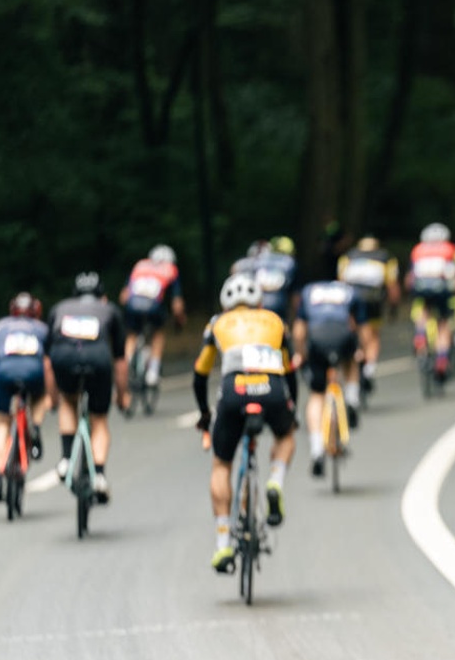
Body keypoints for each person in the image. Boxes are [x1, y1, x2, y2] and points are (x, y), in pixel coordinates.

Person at [193, 273, 298, 571]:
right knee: (286, 436)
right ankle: (275, 481)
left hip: (234, 391)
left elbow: (200, 373)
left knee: (221, 464)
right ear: (259, 303)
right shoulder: (275, 321)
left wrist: (204, 413)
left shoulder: (217, 323)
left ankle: (223, 543)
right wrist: (293, 410)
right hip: (271, 389)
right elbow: (290, 370)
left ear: (226, 305)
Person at [46, 271, 129, 503]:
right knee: (99, 419)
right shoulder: (109, 309)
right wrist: (122, 395)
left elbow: (47, 360)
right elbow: (120, 362)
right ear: (102, 296)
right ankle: (99, 475)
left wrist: (52, 396)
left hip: (63, 358)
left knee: (68, 401)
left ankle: (65, 459)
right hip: (98, 360)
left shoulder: (60, 308)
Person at [292, 277, 363, 477]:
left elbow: (299, 332)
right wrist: (360, 350)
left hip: (317, 339)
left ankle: (316, 449)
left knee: (317, 395)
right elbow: (357, 325)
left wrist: (301, 354)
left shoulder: (308, 292)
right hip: (342, 335)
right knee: (351, 363)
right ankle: (352, 400)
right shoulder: (349, 291)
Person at [0, 293, 52, 502]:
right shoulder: (42, 329)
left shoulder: (0, 327)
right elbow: (48, 365)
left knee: (2, 423)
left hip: (4, 375)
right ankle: (36, 429)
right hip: (34, 374)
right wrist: (51, 394)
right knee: (39, 397)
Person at [336, 234, 400, 396]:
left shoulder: (348, 256)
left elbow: (340, 280)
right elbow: (391, 284)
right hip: (373, 300)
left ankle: (356, 355)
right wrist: (393, 307)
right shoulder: (385, 257)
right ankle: (369, 368)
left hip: (350, 298)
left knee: (353, 330)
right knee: (373, 336)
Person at [121, 243, 185, 394]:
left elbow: (123, 296)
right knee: (158, 333)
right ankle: (153, 372)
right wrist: (179, 320)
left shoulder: (140, 265)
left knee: (132, 334)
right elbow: (177, 305)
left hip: (133, 305)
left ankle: (127, 364)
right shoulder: (170, 269)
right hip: (153, 307)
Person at [405, 223, 455, 383]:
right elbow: (454, 275)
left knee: (423, 308)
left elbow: (410, 277)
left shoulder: (418, 250)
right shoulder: (450, 249)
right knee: (443, 323)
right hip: (441, 289)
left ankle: (420, 334)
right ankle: (442, 359)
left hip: (421, 287)